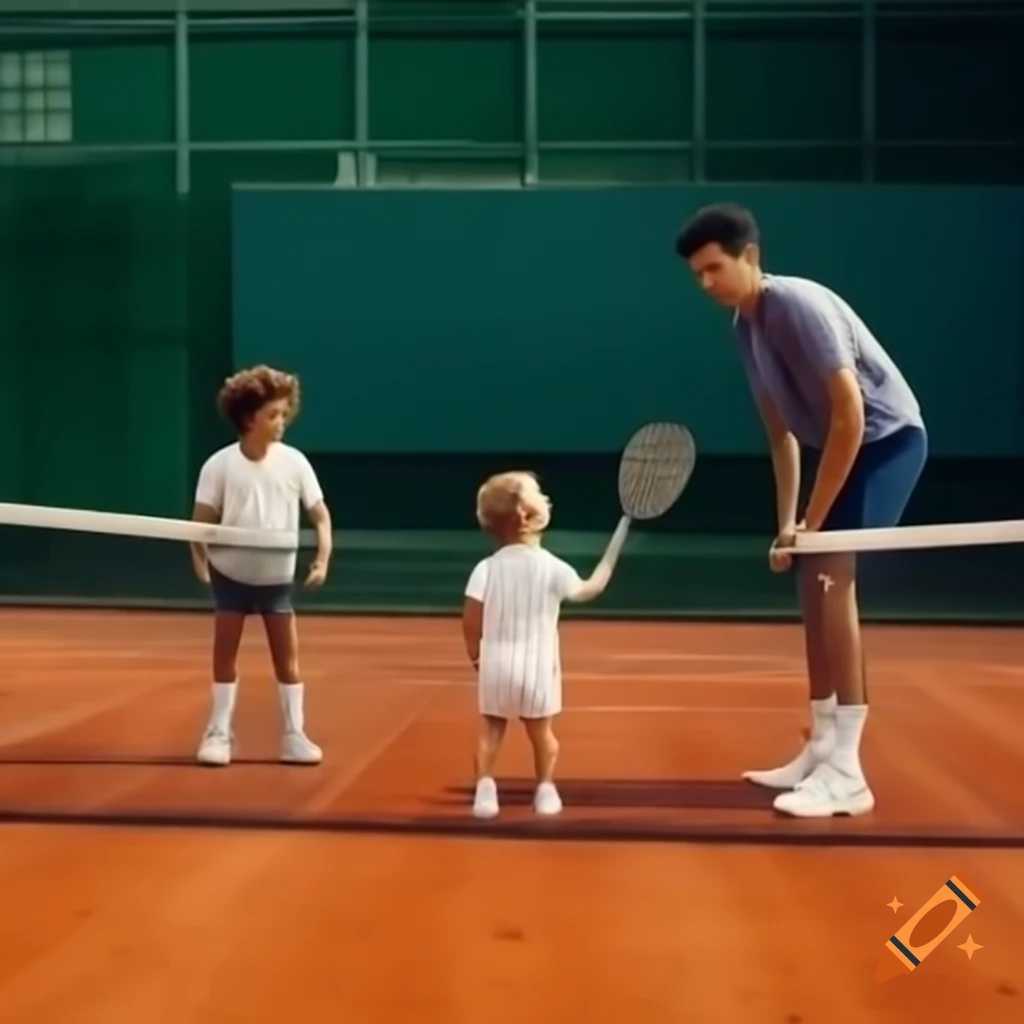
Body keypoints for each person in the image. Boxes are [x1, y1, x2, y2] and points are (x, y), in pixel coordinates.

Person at [674, 203, 927, 818]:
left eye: (714, 269)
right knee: (811, 582)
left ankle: (849, 772)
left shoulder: (798, 306)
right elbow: (781, 435)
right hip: (845, 449)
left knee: (832, 576)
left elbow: (851, 416)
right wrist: (787, 524)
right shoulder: (745, 326)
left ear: (750, 256)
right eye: (697, 275)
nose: (706, 284)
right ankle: (822, 745)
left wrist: (813, 522)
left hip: (888, 444)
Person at [189, 364, 333, 768]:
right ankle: (219, 731)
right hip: (230, 575)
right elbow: (199, 524)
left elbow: (320, 516)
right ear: (249, 418)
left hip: (276, 579)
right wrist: (199, 560)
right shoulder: (219, 465)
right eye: (274, 415)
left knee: (288, 660)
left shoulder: (295, 463)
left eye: (285, 414)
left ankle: (294, 733)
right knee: (224, 655)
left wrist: (322, 559)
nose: (282, 421)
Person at [462, 471, 628, 820]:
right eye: (538, 494)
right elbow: (589, 589)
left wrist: (476, 656)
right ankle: (545, 789)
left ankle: (485, 791)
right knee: (543, 737)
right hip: (538, 668)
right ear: (525, 515)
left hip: (495, 667)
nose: (545, 498)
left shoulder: (485, 569)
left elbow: (470, 620)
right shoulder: (553, 568)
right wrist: (610, 560)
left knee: (491, 733)